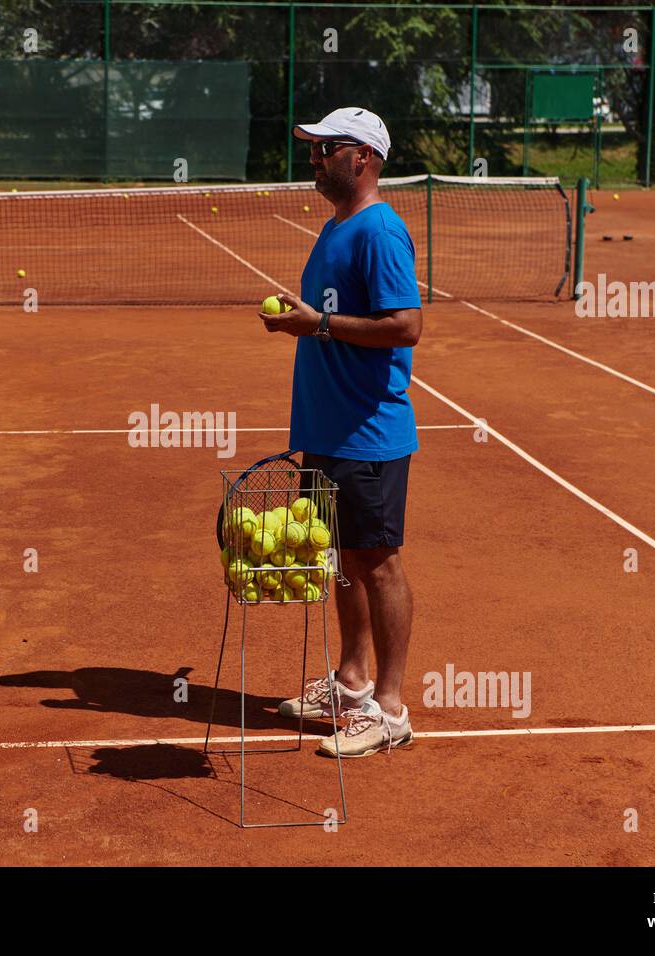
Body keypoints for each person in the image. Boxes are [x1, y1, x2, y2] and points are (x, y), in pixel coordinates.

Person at [262, 108, 423, 758]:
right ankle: (353, 684)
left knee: (376, 564)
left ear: (362, 157)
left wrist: (318, 327)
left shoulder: (380, 232)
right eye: (312, 147)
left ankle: (390, 709)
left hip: (368, 432)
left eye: (325, 148)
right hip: (327, 430)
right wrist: (299, 320)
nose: (314, 158)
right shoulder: (334, 228)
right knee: (340, 561)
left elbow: (406, 325)